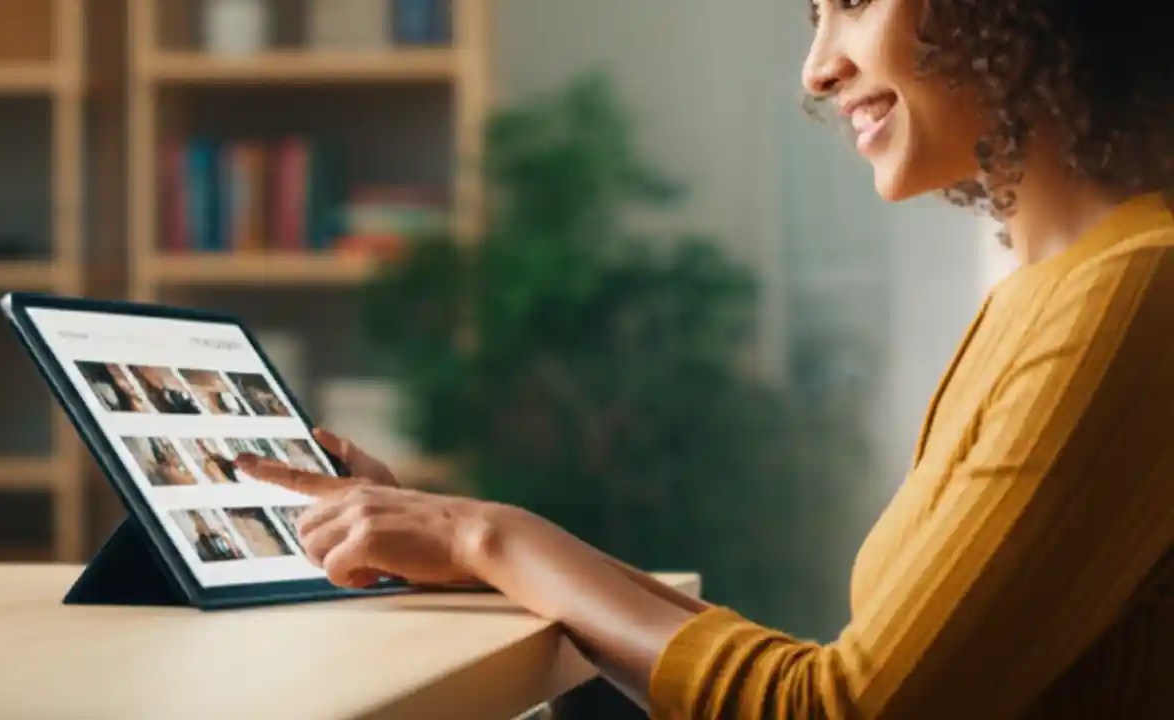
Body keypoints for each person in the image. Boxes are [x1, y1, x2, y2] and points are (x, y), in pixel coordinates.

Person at [235, 1, 1174, 716]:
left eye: (851, 0)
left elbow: (836, 709)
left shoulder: (1133, 299)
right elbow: (850, 675)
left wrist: (487, 538)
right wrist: (464, 537)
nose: (816, 68)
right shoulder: (1056, 296)